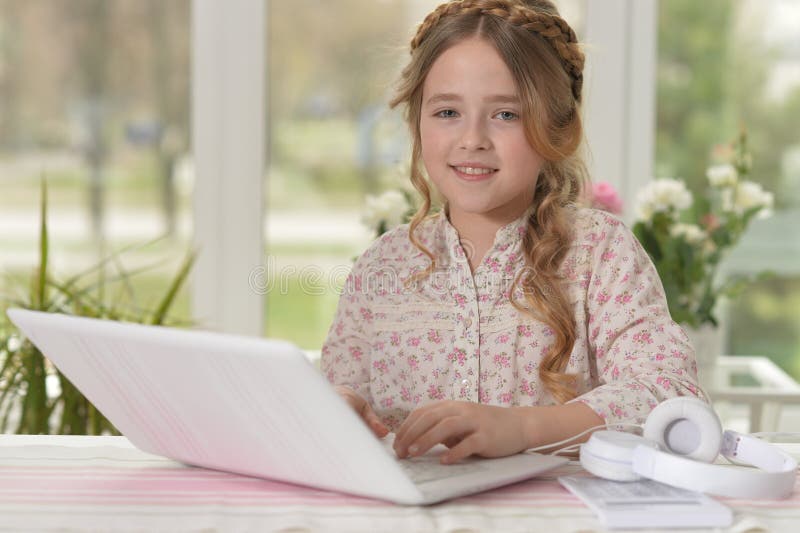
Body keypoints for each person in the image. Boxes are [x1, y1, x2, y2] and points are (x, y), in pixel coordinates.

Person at [321, 0, 701, 465]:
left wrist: (523, 428)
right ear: (417, 122)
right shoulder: (383, 265)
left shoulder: (600, 253)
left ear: (559, 129)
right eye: (447, 113)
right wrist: (337, 408)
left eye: (506, 114)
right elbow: (341, 389)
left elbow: (671, 393)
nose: (472, 139)